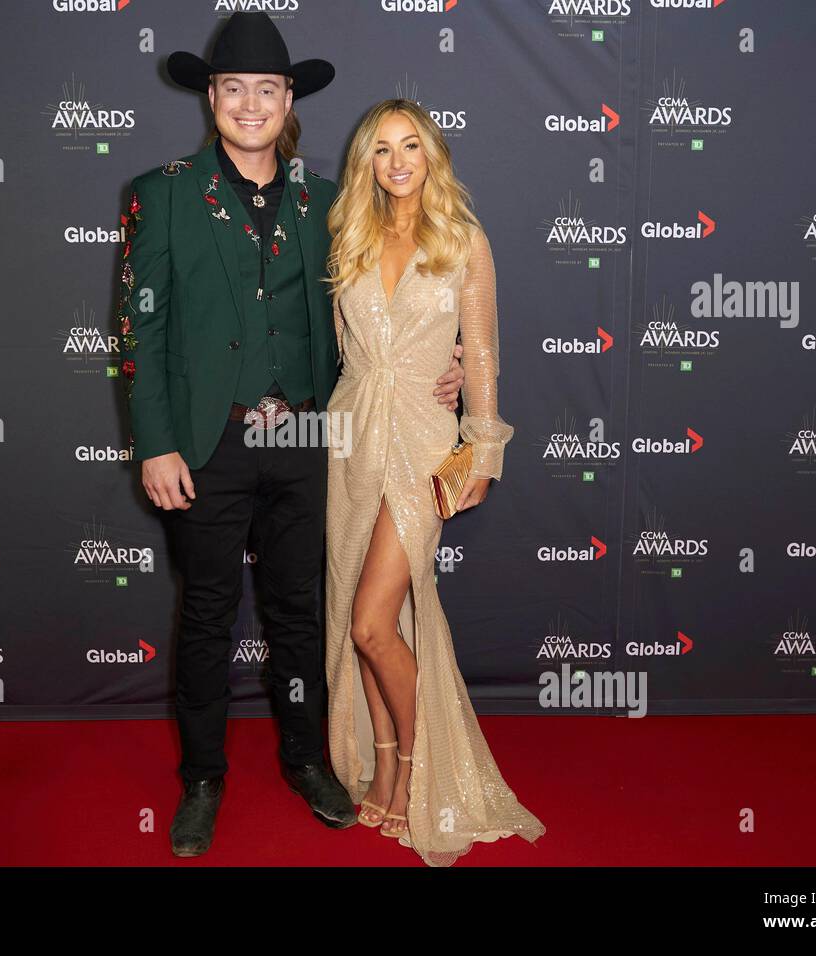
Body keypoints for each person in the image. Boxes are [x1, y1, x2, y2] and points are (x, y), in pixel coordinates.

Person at [116, 13, 466, 857]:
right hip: (207, 442)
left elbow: (368, 311)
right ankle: (203, 779)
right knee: (205, 613)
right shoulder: (160, 193)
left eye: (265, 90)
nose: (249, 104)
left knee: (300, 609)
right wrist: (154, 443)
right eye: (233, 88)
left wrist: (437, 372)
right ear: (211, 96)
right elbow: (139, 330)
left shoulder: (326, 202)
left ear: (287, 100)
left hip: (308, 435)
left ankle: (307, 759)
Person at [322, 99, 547, 866]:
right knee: (357, 616)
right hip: (351, 440)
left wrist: (482, 452)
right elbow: (342, 351)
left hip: (421, 441)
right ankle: (381, 758)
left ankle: (419, 771)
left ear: (432, 154)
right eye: (381, 149)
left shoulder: (462, 239)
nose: (396, 161)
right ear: (367, 164)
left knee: (372, 622)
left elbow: (479, 354)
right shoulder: (348, 236)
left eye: (410, 145)